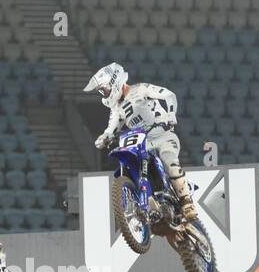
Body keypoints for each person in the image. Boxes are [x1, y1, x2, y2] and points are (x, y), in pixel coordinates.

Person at [84, 61, 199, 225]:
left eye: (104, 89)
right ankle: (146, 202)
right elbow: (111, 128)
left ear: (114, 82)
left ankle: (186, 202)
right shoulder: (117, 108)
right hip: (142, 143)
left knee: (168, 159)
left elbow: (169, 95)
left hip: (163, 134)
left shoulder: (141, 89)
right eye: (101, 91)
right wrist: (105, 137)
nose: (104, 93)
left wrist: (170, 115)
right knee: (132, 163)